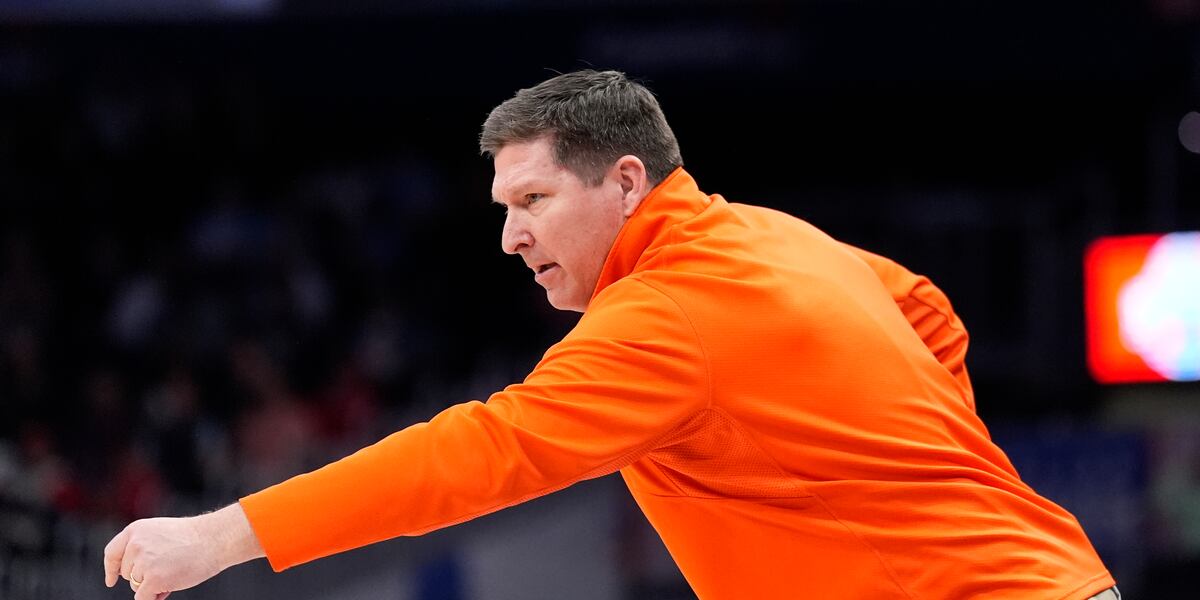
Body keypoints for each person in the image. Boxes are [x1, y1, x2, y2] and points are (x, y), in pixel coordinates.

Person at [103, 69, 1118, 599]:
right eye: (503, 207)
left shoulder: (665, 315)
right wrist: (901, 471)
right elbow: (930, 310)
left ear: (625, 182)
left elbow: (483, 452)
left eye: (534, 199)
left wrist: (222, 534)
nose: (511, 236)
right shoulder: (774, 238)